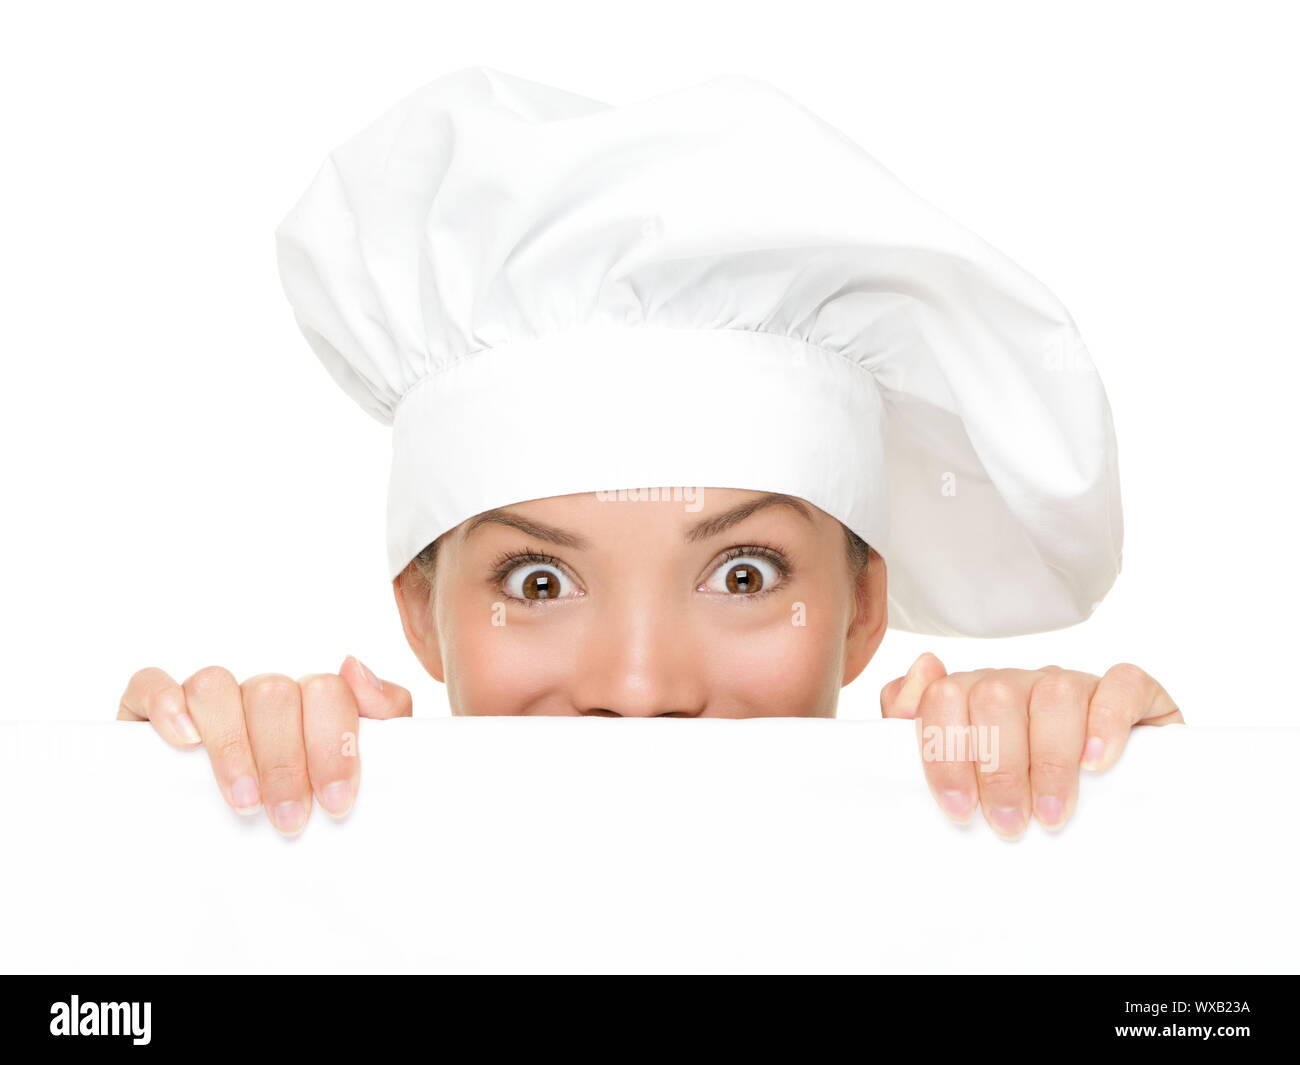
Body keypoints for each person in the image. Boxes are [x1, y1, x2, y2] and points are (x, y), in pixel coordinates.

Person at [117, 68, 1182, 840]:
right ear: (419, 614)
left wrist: (1152, 844)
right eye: (536, 581)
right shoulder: (302, 916)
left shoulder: (988, 916)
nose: (639, 689)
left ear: (860, 612)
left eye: (742, 574)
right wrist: (143, 849)